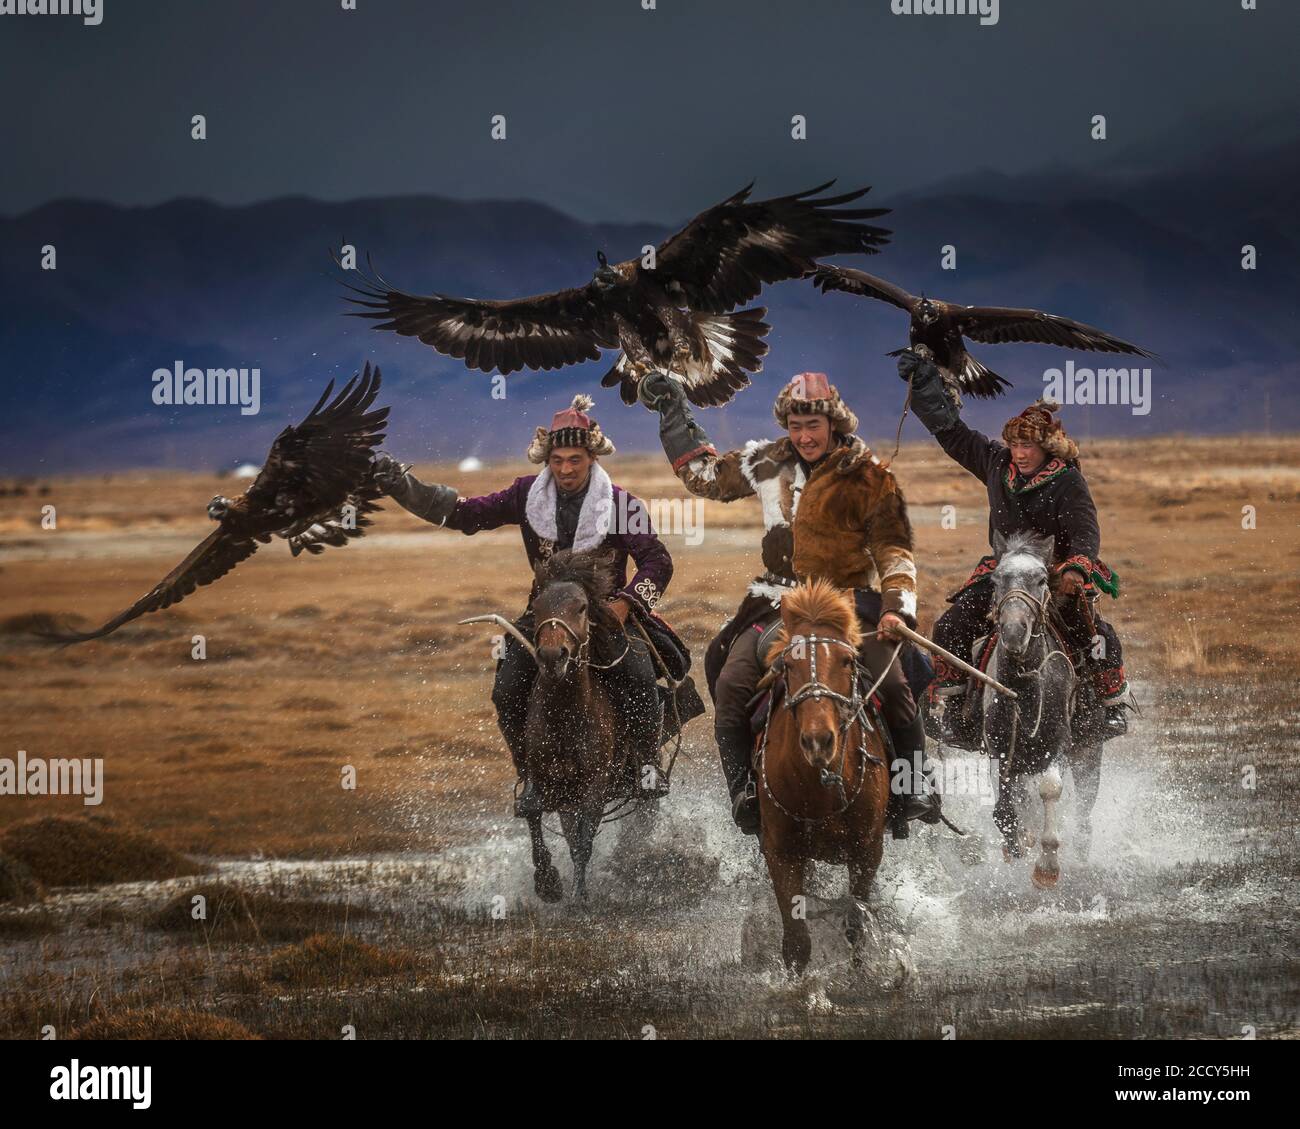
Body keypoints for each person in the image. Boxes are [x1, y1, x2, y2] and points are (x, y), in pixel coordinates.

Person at [644, 370, 941, 837]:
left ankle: (912, 787)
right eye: (796, 427)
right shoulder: (766, 461)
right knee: (731, 688)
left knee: (898, 689)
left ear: (834, 424)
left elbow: (895, 550)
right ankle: (745, 793)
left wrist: (895, 608)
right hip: (776, 604)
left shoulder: (869, 475)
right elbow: (704, 477)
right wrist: (672, 413)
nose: (804, 437)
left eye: (813, 427)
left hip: (847, 603)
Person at [373, 394, 697, 815]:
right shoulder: (525, 494)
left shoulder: (622, 504)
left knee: (637, 675)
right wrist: (403, 487)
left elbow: (658, 562)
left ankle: (647, 766)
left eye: (574, 460)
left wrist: (628, 604)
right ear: (546, 459)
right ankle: (529, 777)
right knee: (506, 689)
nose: (565, 469)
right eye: (557, 460)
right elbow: (466, 515)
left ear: (592, 457)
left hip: (607, 615)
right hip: (543, 617)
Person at [897, 350, 1133, 743]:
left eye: (1029, 447)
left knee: (1096, 637)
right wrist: (925, 388)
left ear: (1048, 449)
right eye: (1015, 445)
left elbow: (1085, 531)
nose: (1020, 454)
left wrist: (1075, 567)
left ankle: (1108, 709)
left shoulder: (1068, 481)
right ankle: (956, 711)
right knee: (952, 624)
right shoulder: (995, 464)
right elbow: (952, 433)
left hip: (1055, 573)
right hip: (1003, 570)